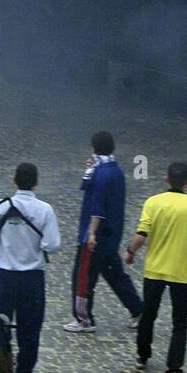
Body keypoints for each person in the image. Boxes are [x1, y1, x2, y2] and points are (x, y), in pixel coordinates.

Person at [127, 161, 187, 373]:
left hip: (154, 270)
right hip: (180, 273)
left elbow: (142, 233)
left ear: (166, 179)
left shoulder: (153, 203)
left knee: (148, 315)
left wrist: (130, 252)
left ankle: (142, 356)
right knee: (179, 322)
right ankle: (174, 371)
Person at [0, 162, 61, 373]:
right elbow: (53, 245)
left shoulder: (1, 205)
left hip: (0, 277)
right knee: (30, 329)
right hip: (33, 278)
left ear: (15, 180)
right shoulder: (45, 209)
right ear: (36, 182)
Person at [64, 131, 142, 334]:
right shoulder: (115, 171)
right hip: (111, 235)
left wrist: (91, 234)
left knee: (83, 278)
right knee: (114, 274)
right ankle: (137, 309)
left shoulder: (100, 174)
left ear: (94, 148)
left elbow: (97, 208)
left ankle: (84, 319)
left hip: (95, 237)